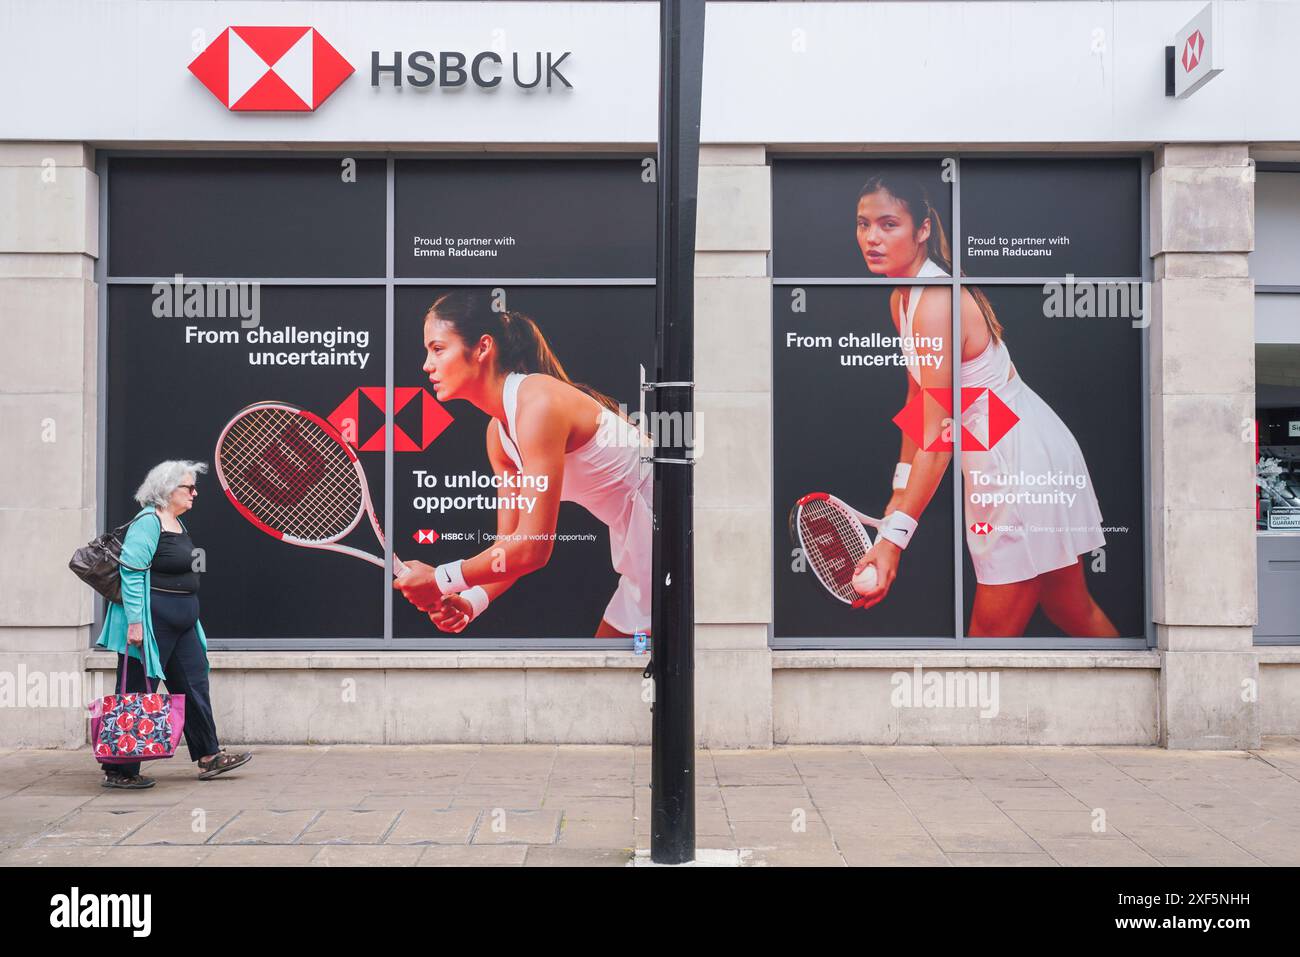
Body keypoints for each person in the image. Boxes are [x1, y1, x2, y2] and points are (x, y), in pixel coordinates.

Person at [851, 173, 1118, 638]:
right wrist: (900, 489)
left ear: (922, 231)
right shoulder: (902, 298)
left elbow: (940, 434)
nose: (872, 237)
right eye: (863, 224)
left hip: (1016, 461)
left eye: (888, 224)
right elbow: (919, 400)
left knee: (986, 645)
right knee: (1071, 609)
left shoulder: (935, 302)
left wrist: (894, 539)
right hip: (1015, 444)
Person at [394, 291, 652, 637]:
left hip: (683, 530)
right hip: (640, 549)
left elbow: (533, 548)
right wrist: (471, 601)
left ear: (483, 348)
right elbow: (510, 547)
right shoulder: (498, 436)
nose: (427, 364)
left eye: (438, 349)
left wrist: (441, 578)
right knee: (608, 677)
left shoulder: (538, 404)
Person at [94, 460, 252, 788]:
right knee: (137, 690)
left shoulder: (177, 523)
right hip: (152, 624)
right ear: (166, 490)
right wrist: (135, 624)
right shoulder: (148, 523)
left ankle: (209, 756)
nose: (195, 493)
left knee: (195, 685)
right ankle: (119, 768)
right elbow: (133, 574)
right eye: (188, 487)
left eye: (194, 487)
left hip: (183, 624)